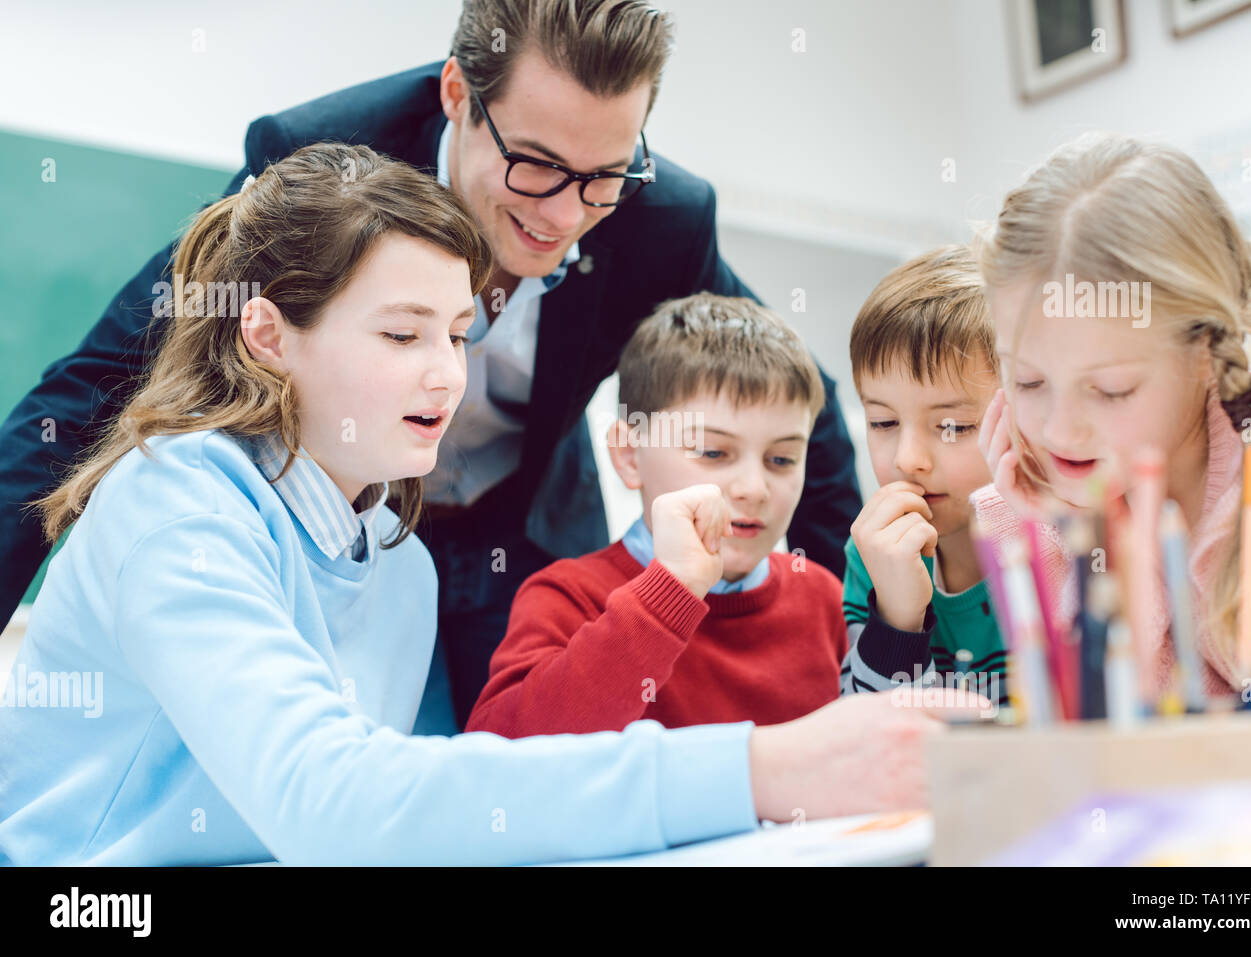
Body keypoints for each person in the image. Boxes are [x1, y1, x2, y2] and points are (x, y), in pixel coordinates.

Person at [0, 143, 959, 867]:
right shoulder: (178, 508)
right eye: (402, 333)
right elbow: (329, 800)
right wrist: (767, 769)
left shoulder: (396, 562)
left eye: (457, 335)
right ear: (267, 333)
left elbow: (431, 801)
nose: (444, 376)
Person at [0, 0, 862, 733]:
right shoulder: (319, 160)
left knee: (521, 769)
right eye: (534, 166)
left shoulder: (658, 218)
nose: (565, 215)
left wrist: (863, 627)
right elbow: (98, 383)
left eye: (603, 175)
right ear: (458, 93)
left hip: (514, 530)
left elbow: (804, 402)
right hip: (338, 529)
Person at [974, 132, 1251, 703]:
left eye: (1110, 389)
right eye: (1026, 381)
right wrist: (1082, 536)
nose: (1059, 431)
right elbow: (1113, 741)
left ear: (1204, 351)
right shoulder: (1025, 506)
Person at [468, 294, 845, 736]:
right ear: (629, 455)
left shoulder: (823, 598)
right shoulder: (567, 597)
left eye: (781, 460)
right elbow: (502, 752)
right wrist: (669, 595)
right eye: (713, 451)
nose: (754, 489)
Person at [838, 246, 1008, 707]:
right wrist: (897, 620)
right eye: (883, 423)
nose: (909, 459)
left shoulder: (1060, 549)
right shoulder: (871, 552)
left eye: (952, 427)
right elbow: (867, 740)